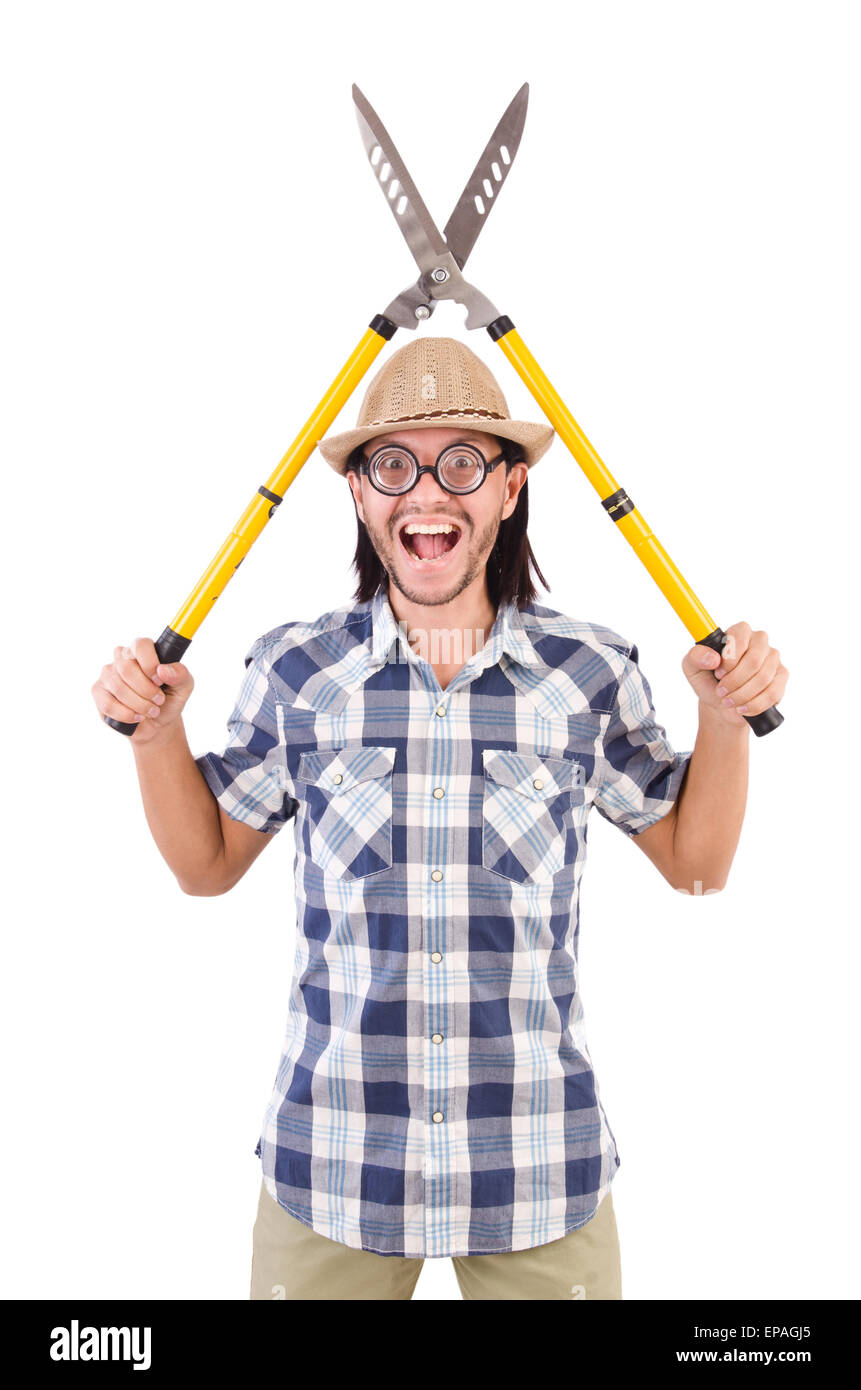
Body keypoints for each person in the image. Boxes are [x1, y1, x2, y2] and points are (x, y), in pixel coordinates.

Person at [91, 335, 788, 1300]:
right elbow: (205, 869)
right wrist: (154, 735)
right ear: (358, 494)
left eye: (461, 462)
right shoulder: (295, 671)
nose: (427, 492)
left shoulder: (589, 672)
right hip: (331, 1166)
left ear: (508, 489)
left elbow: (698, 866)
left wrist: (723, 718)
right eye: (393, 464)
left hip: (539, 1165)